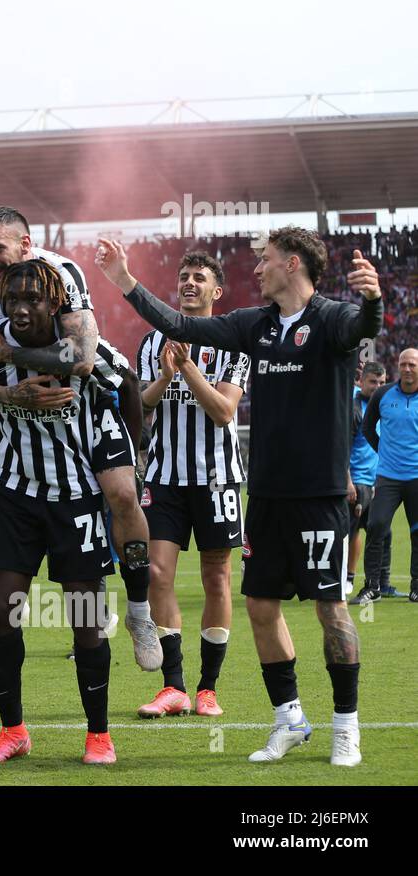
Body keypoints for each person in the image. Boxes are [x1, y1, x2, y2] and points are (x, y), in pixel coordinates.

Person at [98, 226, 383, 767]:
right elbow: (178, 324)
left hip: (320, 493)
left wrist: (372, 297)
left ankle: (346, 725)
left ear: (293, 264)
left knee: (331, 609)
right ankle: (289, 719)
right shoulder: (256, 325)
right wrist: (126, 281)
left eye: (266, 260)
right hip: (267, 495)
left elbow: (366, 324)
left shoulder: (333, 317)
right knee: (259, 605)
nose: (257, 269)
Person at [0, 207, 159, 671]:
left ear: (25, 245)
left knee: (123, 494)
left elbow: (91, 363)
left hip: (87, 412)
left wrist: (137, 452)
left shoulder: (61, 275)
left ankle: (140, 613)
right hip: (13, 410)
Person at [0, 259, 132, 766]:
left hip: (76, 494)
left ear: (55, 301)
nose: (20, 307)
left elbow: (124, 382)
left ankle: (99, 735)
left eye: (32, 299)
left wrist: (137, 452)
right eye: (12, 298)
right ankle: (13, 730)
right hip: (16, 493)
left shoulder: (79, 344)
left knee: (84, 618)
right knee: (3, 610)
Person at [135, 252, 250, 719]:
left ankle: (208, 688)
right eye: (183, 276)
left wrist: (186, 369)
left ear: (215, 292)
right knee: (157, 574)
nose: (188, 282)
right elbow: (141, 406)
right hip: (163, 477)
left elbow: (224, 412)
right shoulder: (151, 342)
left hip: (217, 478)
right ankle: (174, 685)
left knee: (216, 578)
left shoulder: (233, 345)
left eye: (199, 278)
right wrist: (164, 375)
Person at [360, 347, 418, 603]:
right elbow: (367, 426)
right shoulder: (383, 394)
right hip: (388, 477)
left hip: (416, 477)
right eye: (403, 364)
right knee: (376, 526)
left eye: (412, 365)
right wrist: (382, 451)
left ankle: (417, 586)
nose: (406, 369)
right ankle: (372, 587)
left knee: (417, 531)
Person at [346, 361, 389, 601]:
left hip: (379, 480)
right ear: (360, 381)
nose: (377, 387)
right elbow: (344, 448)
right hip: (358, 481)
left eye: (382, 383)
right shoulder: (352, 406)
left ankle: (382, 583)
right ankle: (348, 578)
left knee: (383, 533)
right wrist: (348, 480)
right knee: (351, 533)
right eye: (372, 382)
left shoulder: (386, 403)